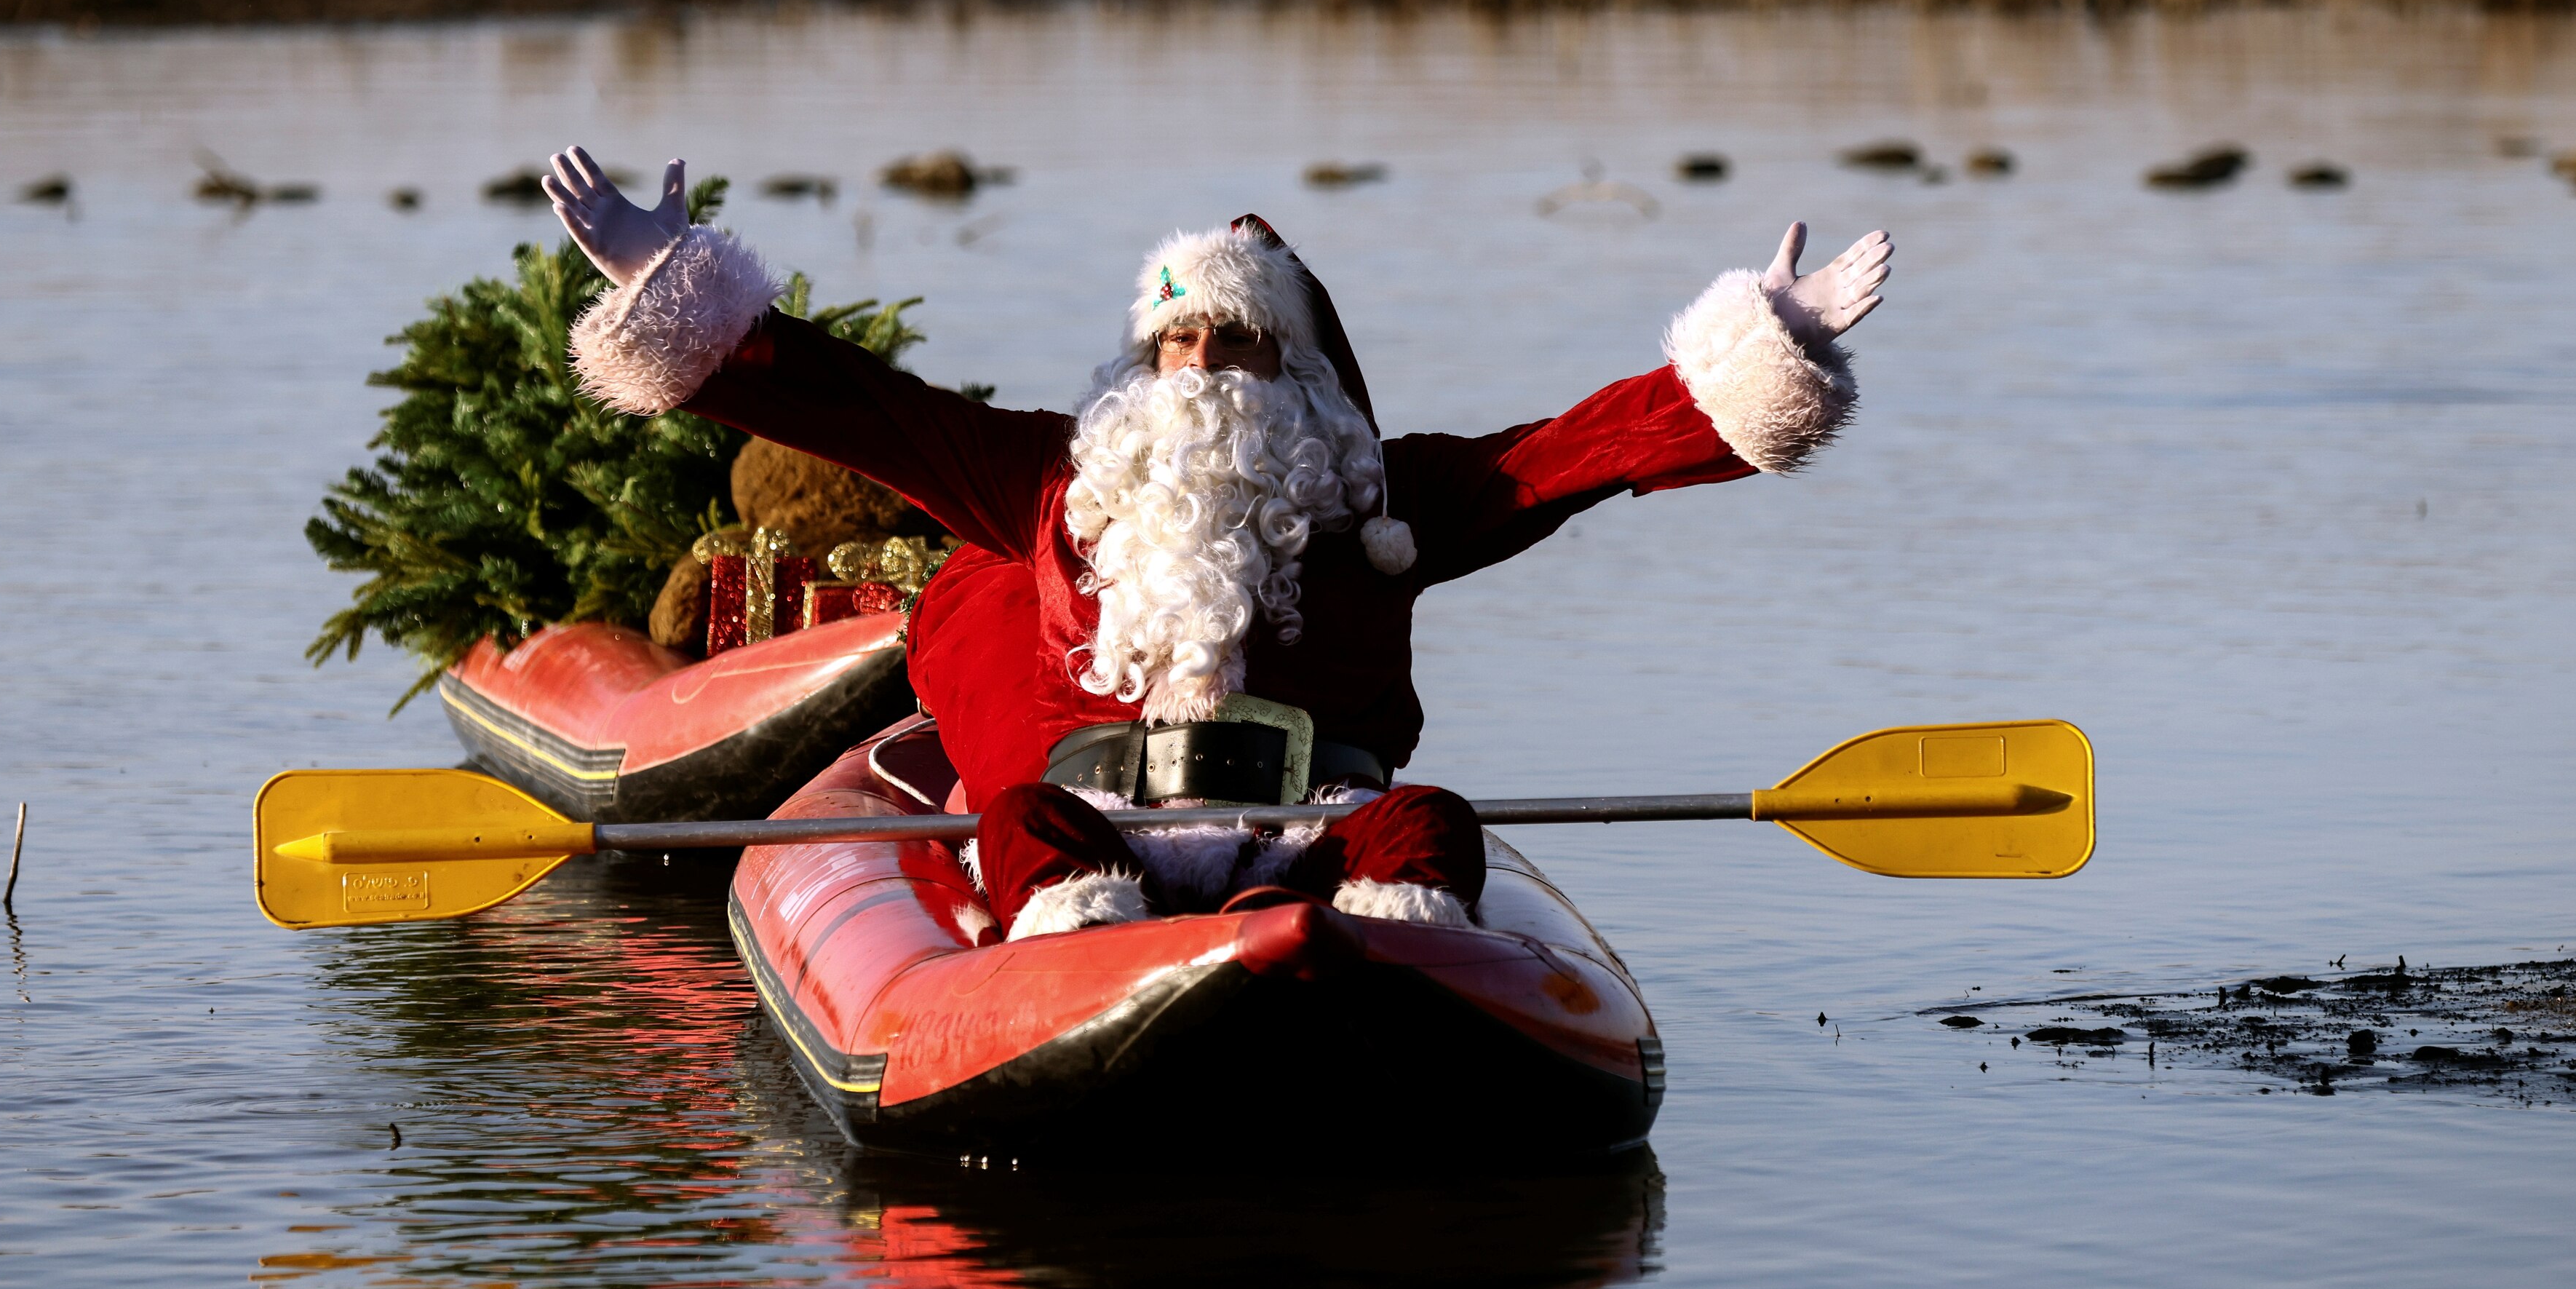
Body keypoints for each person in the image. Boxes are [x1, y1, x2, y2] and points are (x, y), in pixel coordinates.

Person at [545, 144, 1888, 941]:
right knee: (1020, 824)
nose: (1201, 367)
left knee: (1430, 826)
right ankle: (1088, 956)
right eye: (1176, 341)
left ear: (1291, 365)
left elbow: (1572, 455)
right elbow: (870, 411)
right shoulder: (1054, 479)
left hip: (1320, 821)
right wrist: (677, 292)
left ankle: (1363, 973)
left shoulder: (1384, 496)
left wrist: (1765, 349)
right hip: (1110, 820)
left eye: (1233, 340)